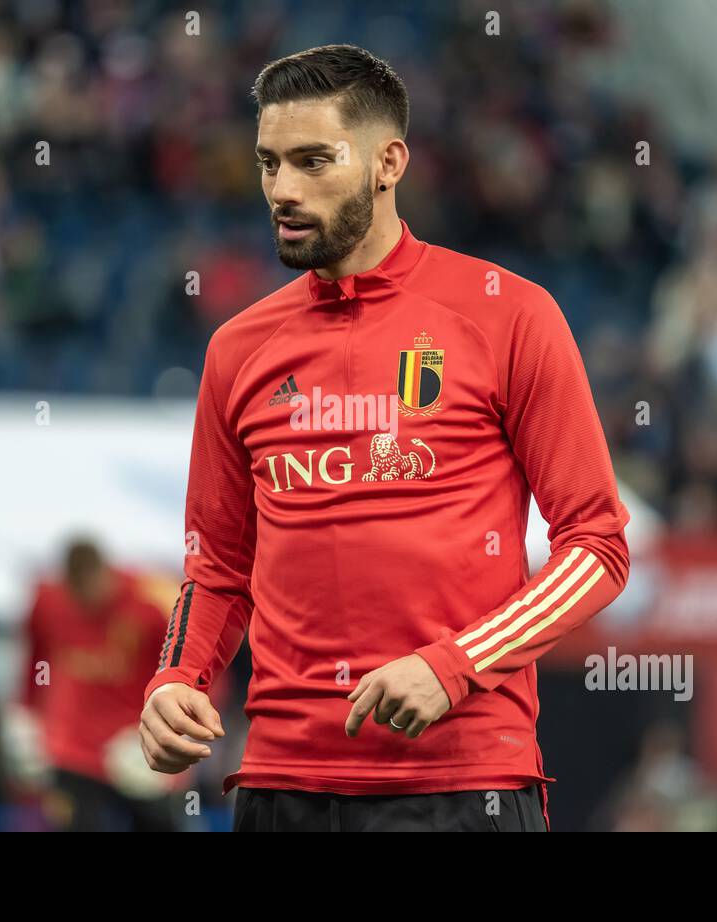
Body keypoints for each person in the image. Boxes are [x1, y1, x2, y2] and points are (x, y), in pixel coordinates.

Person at [139, 44, 630, 832]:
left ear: (387, 162)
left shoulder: (508, 314)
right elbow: (219, 564)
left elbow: (597, 547)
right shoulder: (237, 347)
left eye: (312, 161)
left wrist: (457, 666)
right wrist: (175, 678)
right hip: (282, 788)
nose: (283, 191)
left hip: (464, 783)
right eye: (269, 164)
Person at [20, 539, 176, 831]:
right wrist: (26, 715)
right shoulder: (48, 601)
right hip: (72, 751)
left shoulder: (150, 602)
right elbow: (34, 663)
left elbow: (183, 672)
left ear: (105, 573)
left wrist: (167, 732)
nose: (85, 603)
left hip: (136, 748)